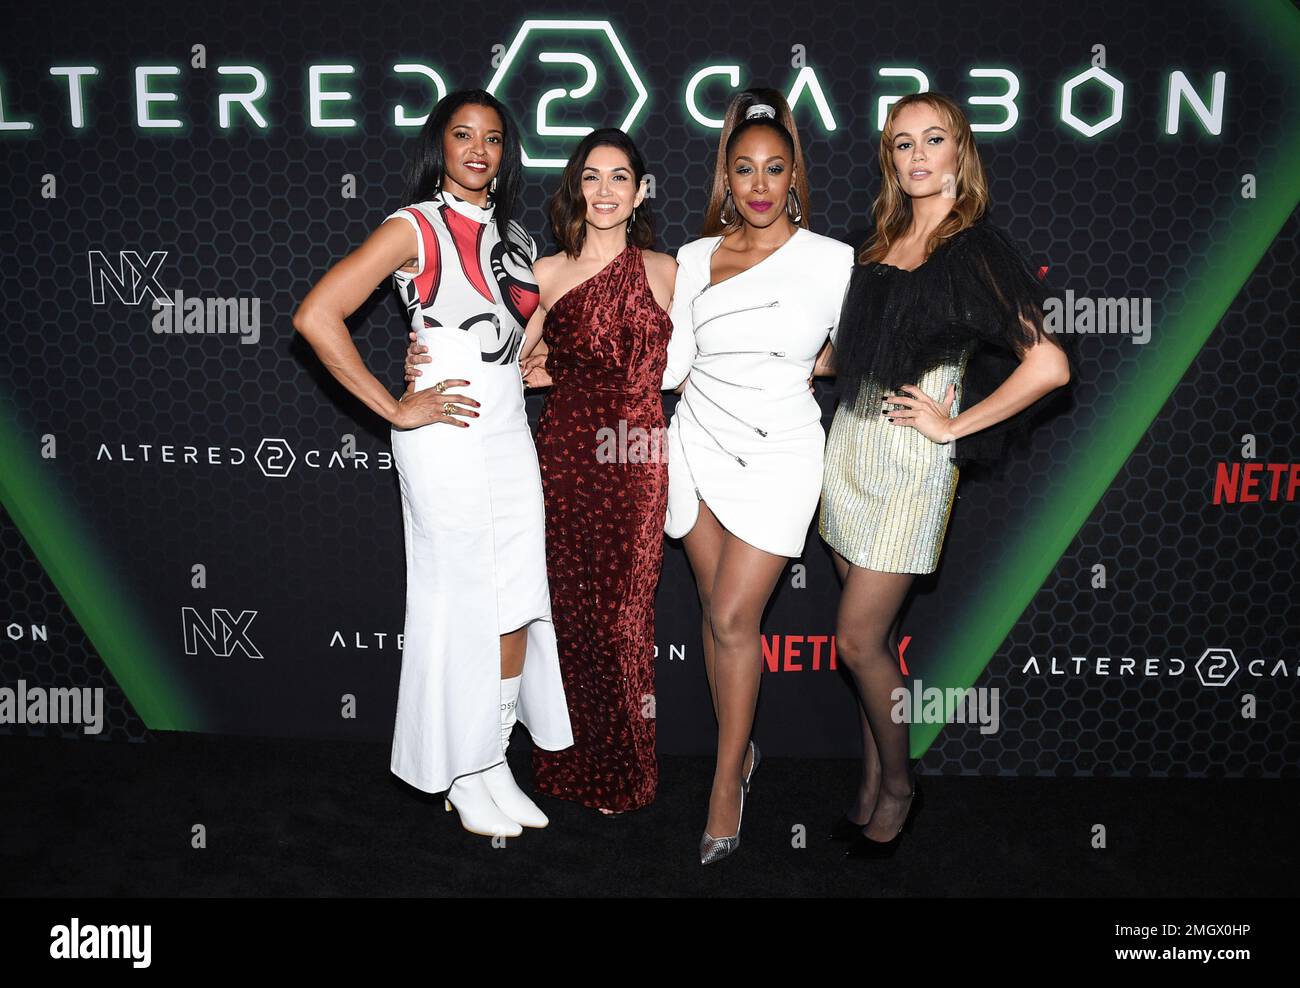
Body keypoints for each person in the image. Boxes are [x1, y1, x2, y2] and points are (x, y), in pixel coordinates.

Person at [294, 89, 573, 841]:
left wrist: (532, 364)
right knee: (460, 604)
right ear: (440, 147)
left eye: (492, 138)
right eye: (463, 135)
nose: (478, 149)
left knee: (518, 599)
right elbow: (316, 315)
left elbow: (511, 337)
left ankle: (492, 759)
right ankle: (458, 769)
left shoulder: (516, 237)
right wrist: (393, 406)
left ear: (506, 153)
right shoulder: (412, 226)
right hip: (445, 438)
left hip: (509, 431)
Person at [820, 91, 1075, 858]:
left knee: (856, 641)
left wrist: (954, 425)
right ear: (889, 159)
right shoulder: (879, 240)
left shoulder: (974, 248)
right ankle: (873, 780)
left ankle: (900, 786)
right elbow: (853, 351)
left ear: (960, 149)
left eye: (934, 139)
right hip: (848, 450)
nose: (918, 155)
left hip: (910, 465)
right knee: (878, 642)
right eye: (902, 144)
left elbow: (1049, 366)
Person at [405, 130, 678, 816]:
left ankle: (621, 770)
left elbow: (702, 357)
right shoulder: (545, 272)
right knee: (560, 614)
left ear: (640, 191)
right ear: (576, 188)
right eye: (592, 177)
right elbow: (504, 358)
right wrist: (430, 359)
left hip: (636, 462)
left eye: (620, 177)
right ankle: (559, 766)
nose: (606, 191)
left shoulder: (669, 270)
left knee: (622, 617)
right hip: (563, 458)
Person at [659, 89, 854, 864]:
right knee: (717, 615)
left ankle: (724, 784)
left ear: (794, 174)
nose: (760, 184)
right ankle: (739, 753)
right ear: (727, 178)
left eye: (775, 168)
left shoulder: (832, 260)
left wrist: (816, 363)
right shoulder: (694, 258)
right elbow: (674, 364)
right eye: (745, 169)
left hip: (780, 454)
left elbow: (859, 346)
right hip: (697, 442)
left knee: (735, 617)